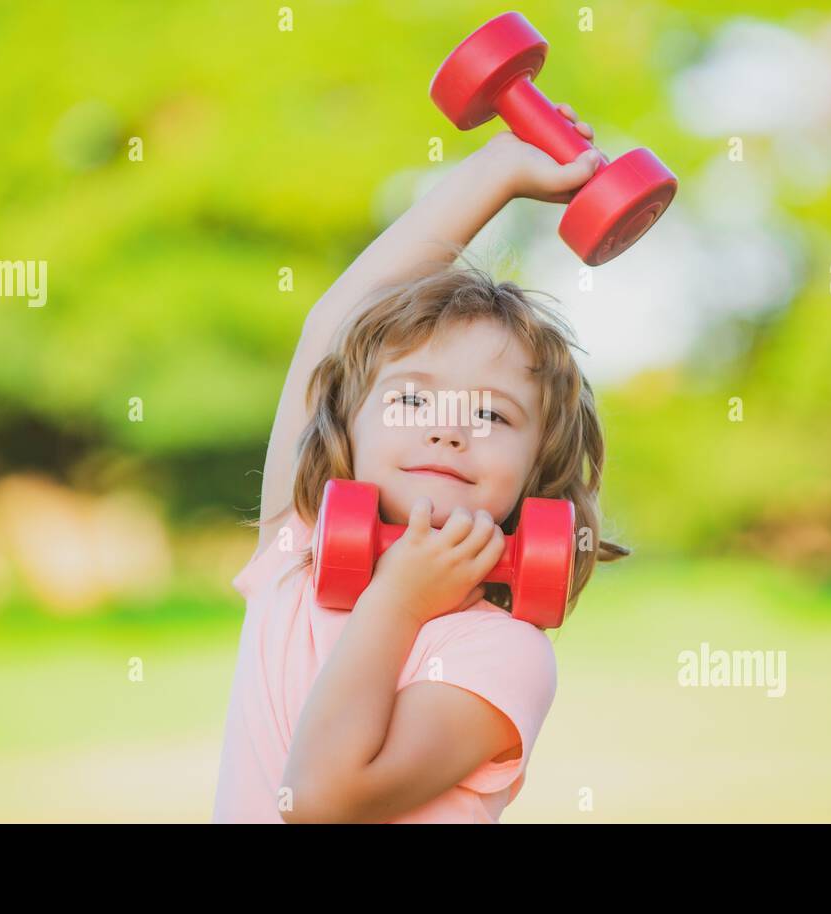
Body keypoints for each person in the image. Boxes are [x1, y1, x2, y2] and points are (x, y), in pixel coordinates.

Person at [212, 105, 630, 823]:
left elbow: (317, 799)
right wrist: (496, 173)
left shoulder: (501, 655)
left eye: (491, 414)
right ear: (345, 424)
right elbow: (332, 323)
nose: (447, 433)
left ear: (540, 468)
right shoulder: (295, 546)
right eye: (411, 403)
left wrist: (400, 600)